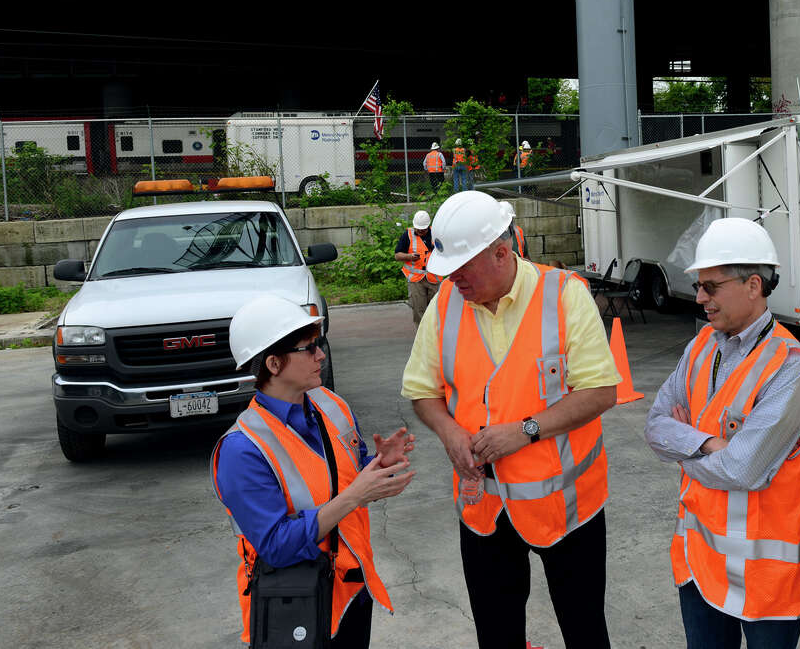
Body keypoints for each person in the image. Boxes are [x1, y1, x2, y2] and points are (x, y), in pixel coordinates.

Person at [401, 190, 620, 649]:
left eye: (463, 268)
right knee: (496, 633)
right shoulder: (445, 304)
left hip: (566, 509)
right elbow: (422, 391)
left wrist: (525, 431)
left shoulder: (565, 295)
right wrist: (449, 433)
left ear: (502, 253)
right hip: (483, 510)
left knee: (584, 631)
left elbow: (600, 391)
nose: (453, 279)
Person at [645, 218, 800, 649]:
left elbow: (743, 468)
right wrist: (707, 443)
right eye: (700, 285)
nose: (700, 297)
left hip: (766, 580)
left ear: (754, 285)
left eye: (711, 286)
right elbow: (654, 427)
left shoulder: (790, 366)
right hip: (698, 563)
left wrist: (682, 444)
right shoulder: (700, 346)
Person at [212, 294, 416, 648]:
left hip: (351, 590)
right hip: (293, 606)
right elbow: (276, 545)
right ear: (274, 364)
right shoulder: (242, 450)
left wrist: (378, 465)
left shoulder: (330, 405)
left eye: (318, 343)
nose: (321, 354)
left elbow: (344, 479)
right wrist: (357, 495)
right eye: (309, 348)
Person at [395, 210, 440, 328]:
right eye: (418, 229)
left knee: (436, 310)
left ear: (428, 227)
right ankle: (421, 337)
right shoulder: (408, 235)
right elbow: (397, 255)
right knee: (418, 310)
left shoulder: (436, 233)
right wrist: (409, 256)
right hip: (416, 280)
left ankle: (435, 334)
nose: (420, 231)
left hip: (434, 278)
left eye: (423, 229)